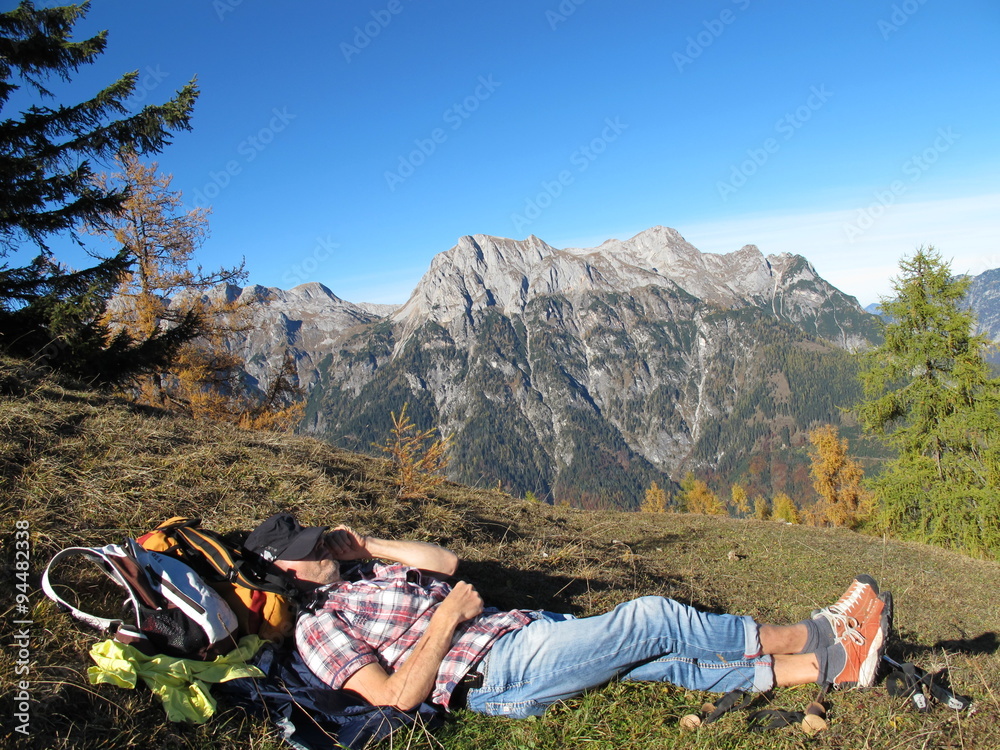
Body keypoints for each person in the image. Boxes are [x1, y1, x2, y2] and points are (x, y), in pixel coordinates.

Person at [244, 512, 892, 719]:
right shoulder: (317, 630)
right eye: (306, 552)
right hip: (494, 672)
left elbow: (445, 561)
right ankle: (817, 632)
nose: (318, 550)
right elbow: (393, 698)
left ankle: (829, 666)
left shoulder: (359, 570)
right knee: (650, 620)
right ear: (284, 574)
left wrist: (369, 546)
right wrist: (446, 621)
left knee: (662, 659)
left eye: (314, 539)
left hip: (519, 632)